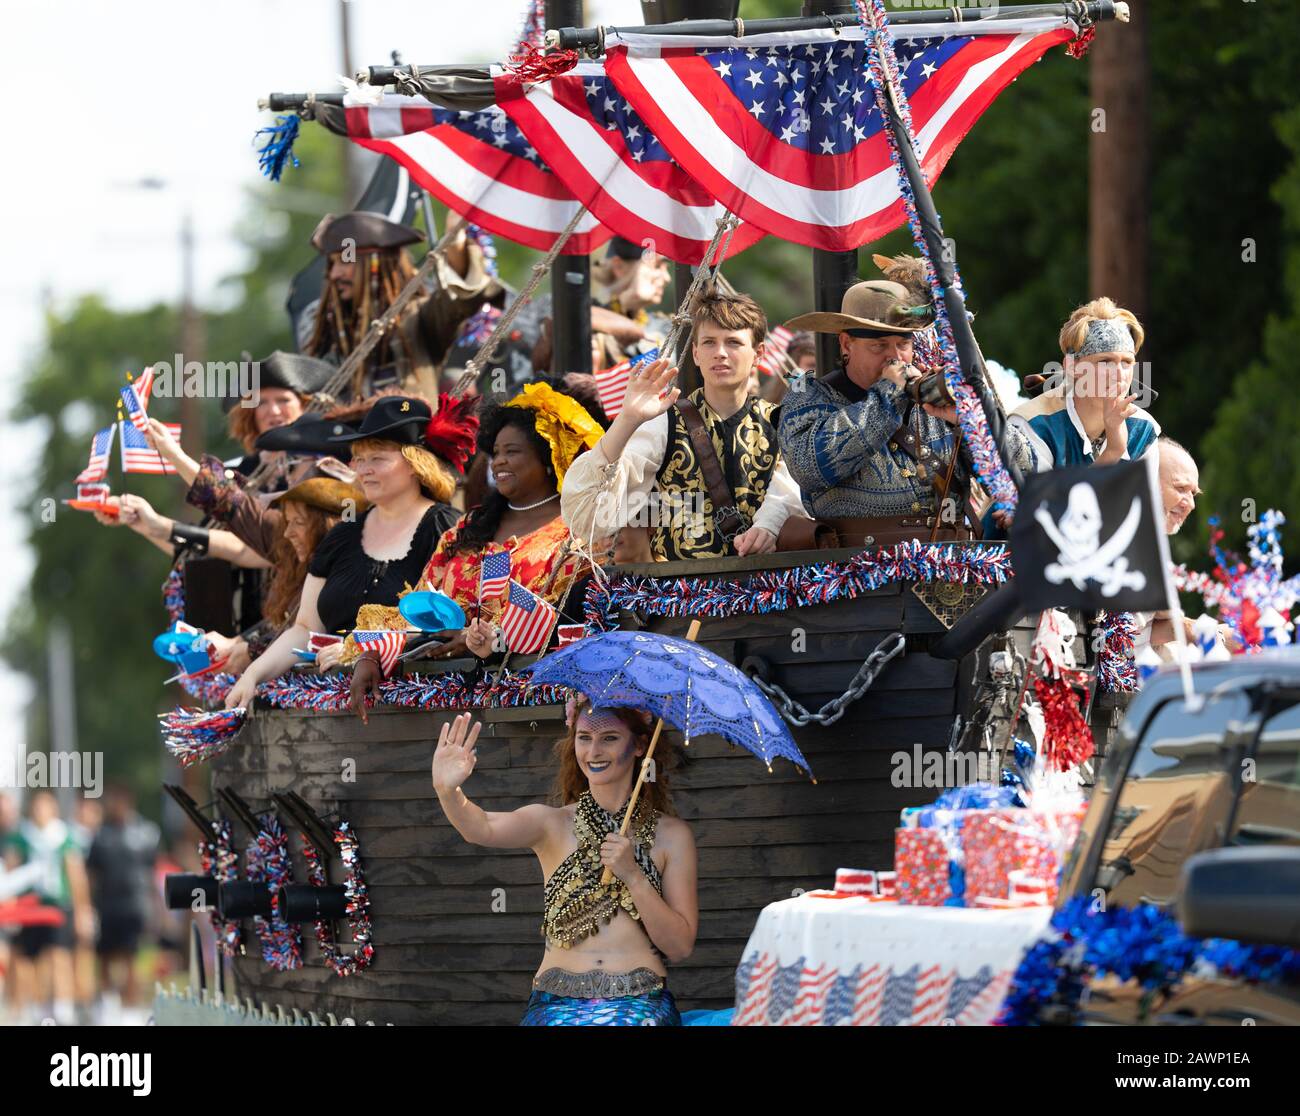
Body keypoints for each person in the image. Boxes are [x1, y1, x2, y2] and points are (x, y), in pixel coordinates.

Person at [432, 706, 697, 1025]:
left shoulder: (672, 836)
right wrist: (448, 791)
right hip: (556, 1001)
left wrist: (634, 876)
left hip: (640, 1002)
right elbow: (482, 827)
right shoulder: (550, 823)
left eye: (609, 738)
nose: (594, 751)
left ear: (640, 746)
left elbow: (679, 947)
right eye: (584, 738)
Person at [350, 384, 603, 704]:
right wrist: (371, 657)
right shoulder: (467, 528)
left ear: (550, 455)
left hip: (525, 703)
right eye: (495, 452)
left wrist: (484, 640)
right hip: (435, 699)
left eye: (512, 451)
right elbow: (417, 604)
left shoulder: (579, 531)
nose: (498, 462)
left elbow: (563, 623)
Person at [223, 395, 474, 708]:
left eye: (377, 458)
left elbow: (450, 622)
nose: (363, 469)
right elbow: (305, 629)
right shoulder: (343, 534)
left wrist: (357, 648)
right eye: (360, 459)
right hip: (333, 713)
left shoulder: (446, 528)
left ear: (415, 463)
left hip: (418, 710)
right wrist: (252, 675)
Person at [561, 291, 804, 560]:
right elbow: (588, 516)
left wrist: (768, 527)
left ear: (758, 354)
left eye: (733, 342)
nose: (720, 353)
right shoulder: (664, 423)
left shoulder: (784, 423)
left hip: (769, 591)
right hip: (680, 593)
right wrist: (627, 419)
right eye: (709, 342)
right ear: (696, 354)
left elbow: (796, 496)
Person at [777, 261, 981, 547]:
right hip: (856, 575)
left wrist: (972, 418)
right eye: (879, 346)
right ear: (846, 344)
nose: (895, 357)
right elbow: (810, 467)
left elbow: (1020, 471)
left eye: (903, 345)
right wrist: (889, 393)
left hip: (951, 569)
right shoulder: (809, 395)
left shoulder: (937, 393)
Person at [299, 211, 502, 401]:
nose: (334, 274)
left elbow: (458, 300)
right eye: (332, 264)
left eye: (344, 262)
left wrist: (456, 244)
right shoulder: (327, 328)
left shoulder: (420, 316)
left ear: (375, 265)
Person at [3, 791, 93, 1025]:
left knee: (58, 956)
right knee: (27, 959)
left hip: (57, 906)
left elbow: (76, 875)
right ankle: (34, 1008)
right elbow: (11, 872)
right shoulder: (21, 837)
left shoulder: (64, 837)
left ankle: (62, 1009)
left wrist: (83, 910)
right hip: (29, 907)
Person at [85, 784, 159, 1019]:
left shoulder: (146, 832)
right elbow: (91, 874)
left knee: (132, 958)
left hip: (134, 906)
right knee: (105, 958)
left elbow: (152, 872)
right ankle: (108, 1008)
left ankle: (131, 1010)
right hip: (108, 905)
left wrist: (155, 908)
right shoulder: (101, 835)